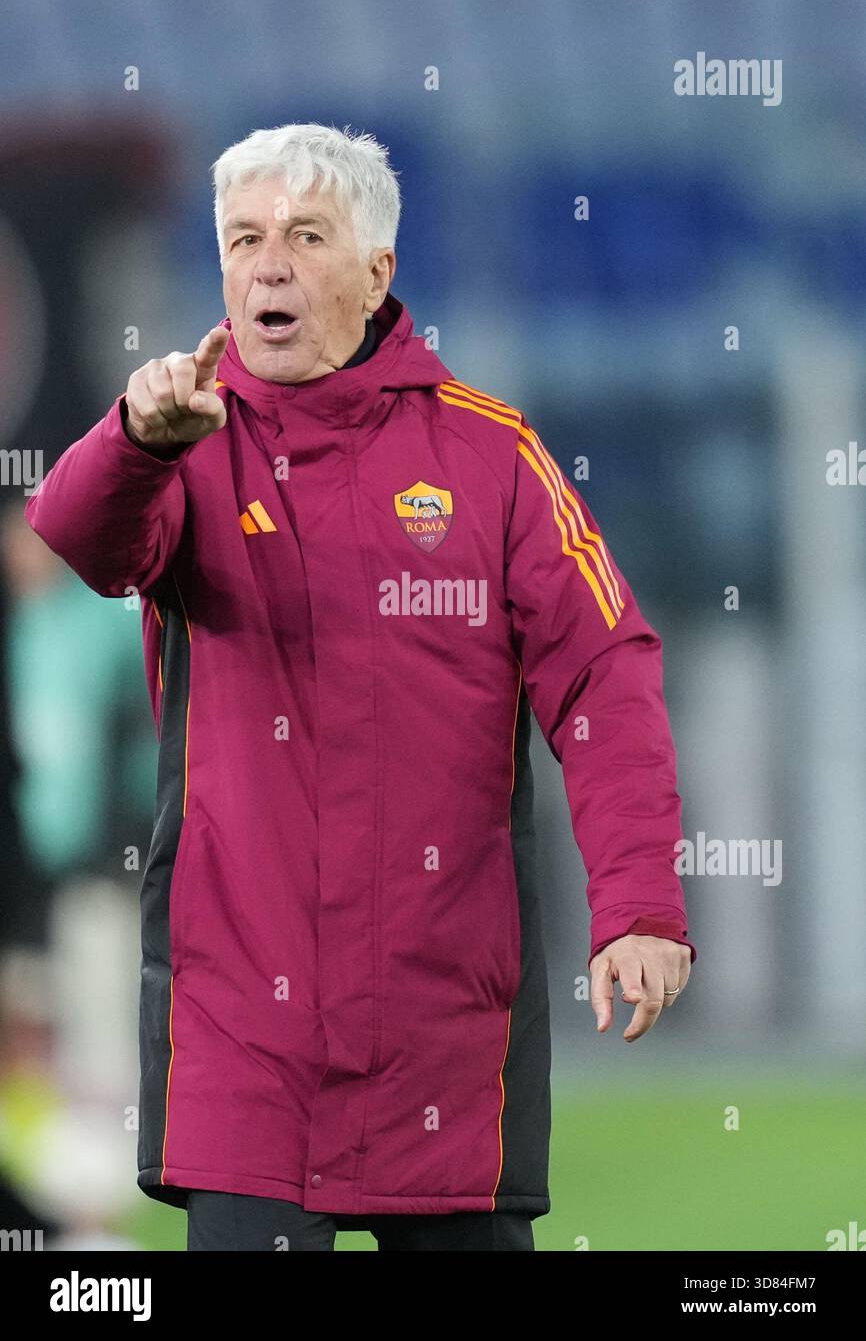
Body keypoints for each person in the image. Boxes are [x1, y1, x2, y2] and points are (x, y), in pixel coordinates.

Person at [23, 122, 696, 1252]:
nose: (266, 263)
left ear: (378, 272)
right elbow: (78, 536)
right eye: (241, 238)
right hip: (243, 1045)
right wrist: (135, 437)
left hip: (442, 1037)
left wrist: (637, 903)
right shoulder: (181, 441)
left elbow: (602, 672)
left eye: (303, 236)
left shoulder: (494, 458)